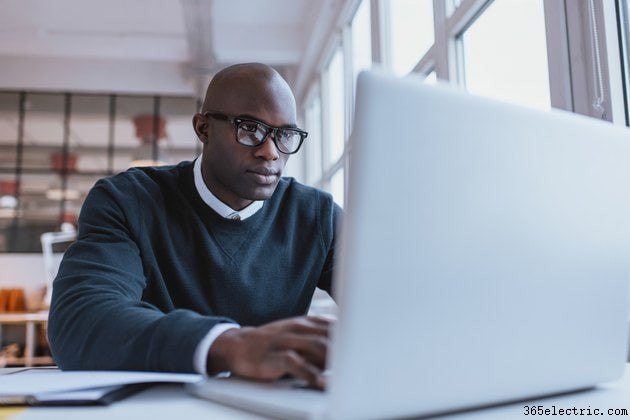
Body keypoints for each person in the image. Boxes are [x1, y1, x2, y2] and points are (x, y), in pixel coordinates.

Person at [48, 63, 341, 390]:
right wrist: (228, 345)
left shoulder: (317, 216)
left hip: (273, 408)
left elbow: (391, 306)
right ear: (203, 129)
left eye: (284, 134)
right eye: (250, 129)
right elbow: (80, 322)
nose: (270, 152)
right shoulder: (128, 201)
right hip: (158, 406)